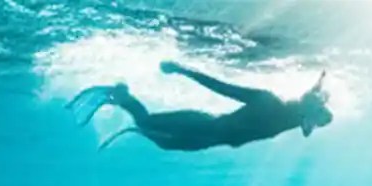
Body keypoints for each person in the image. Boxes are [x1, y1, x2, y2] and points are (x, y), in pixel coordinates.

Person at [67, 61, 333, 151]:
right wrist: (183, 70)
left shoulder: (296, 119)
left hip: (206, 138)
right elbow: (220, 86)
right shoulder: (267, 100)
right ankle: (121, 95)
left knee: (153, 133)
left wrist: (320, 84)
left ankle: (123, 99)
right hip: (202, 126)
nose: (311, 125)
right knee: (146, 124)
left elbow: (311, 110)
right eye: (314, 117)